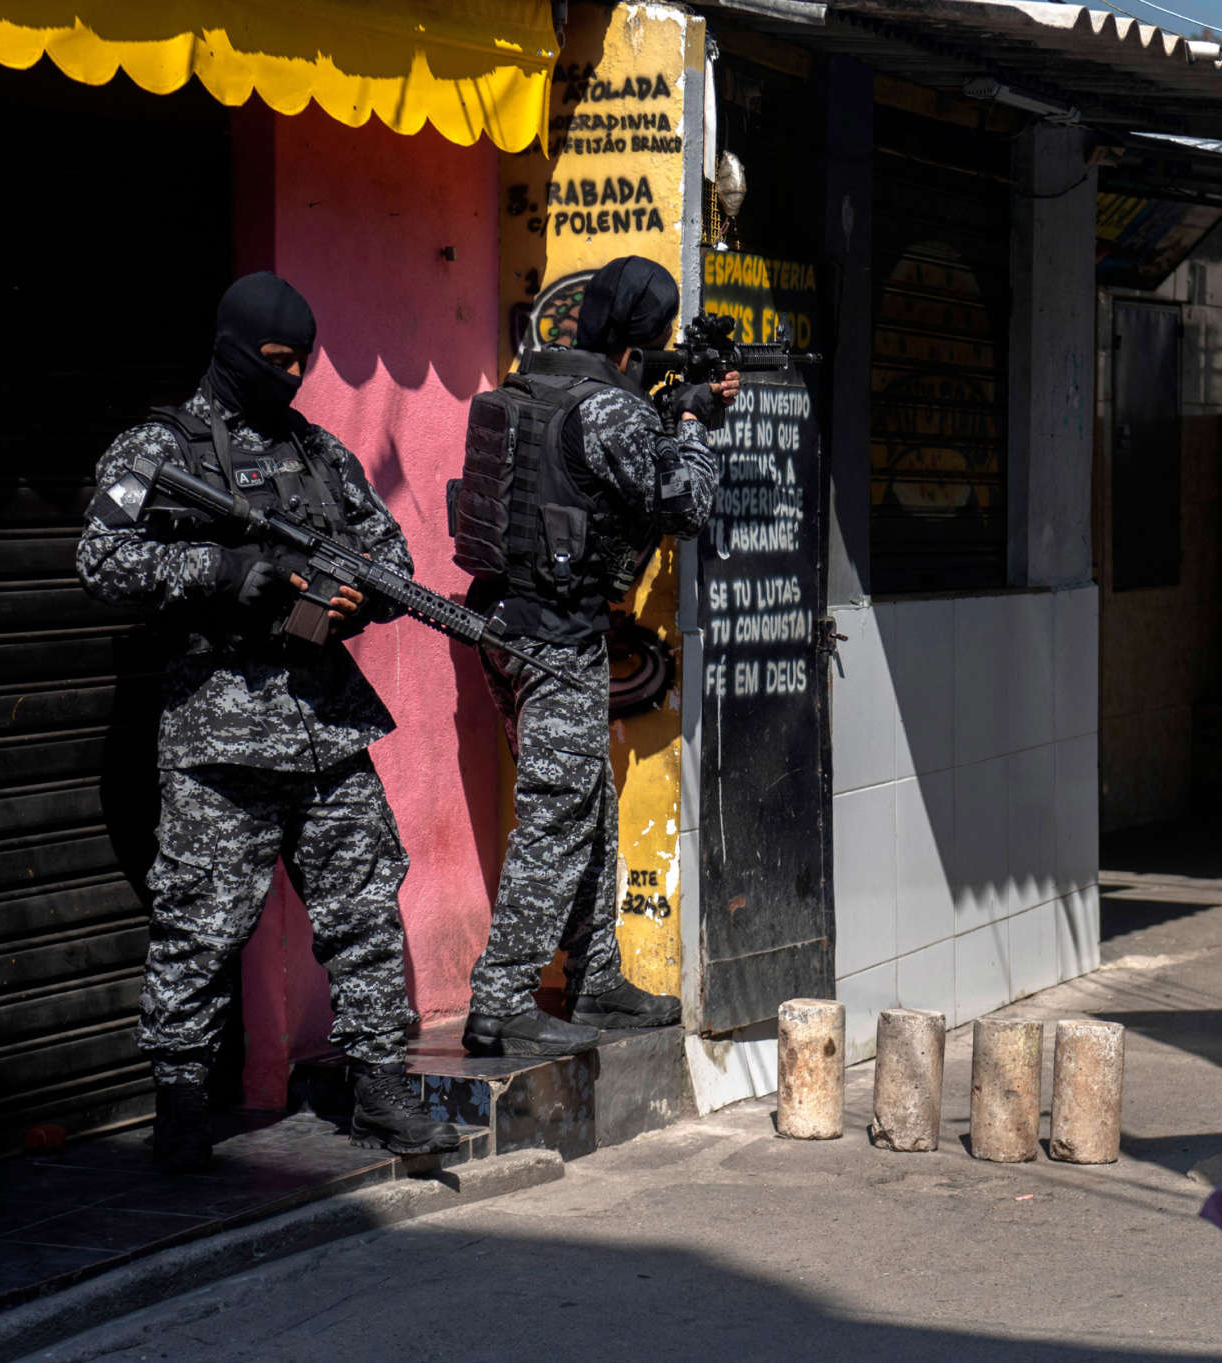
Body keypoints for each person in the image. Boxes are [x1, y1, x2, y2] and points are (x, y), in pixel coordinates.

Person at [77, 272, 458, 1171]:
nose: (290, 377)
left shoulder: (318, 454)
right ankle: (179, 1103)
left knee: (365, 911)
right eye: (276, 362)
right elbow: (100, 557)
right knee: (200, 924)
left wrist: (356, 597)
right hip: (221, 732)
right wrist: (219, 572)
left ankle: (379, 1090)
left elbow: (391, 552)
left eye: (303, 363)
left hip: (326, 724)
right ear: (237, 349)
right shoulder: (159, 447)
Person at [459, 257, 737, 1058]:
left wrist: (668, 409)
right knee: (558, 810)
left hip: (507, 627)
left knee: (587, 801)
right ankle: (501, 997)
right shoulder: (613, 414)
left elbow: (589, 471)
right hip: (554, 635)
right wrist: (687, 423)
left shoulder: (532, 385)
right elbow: (684, 504)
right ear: (636, 343)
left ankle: (596, 977)